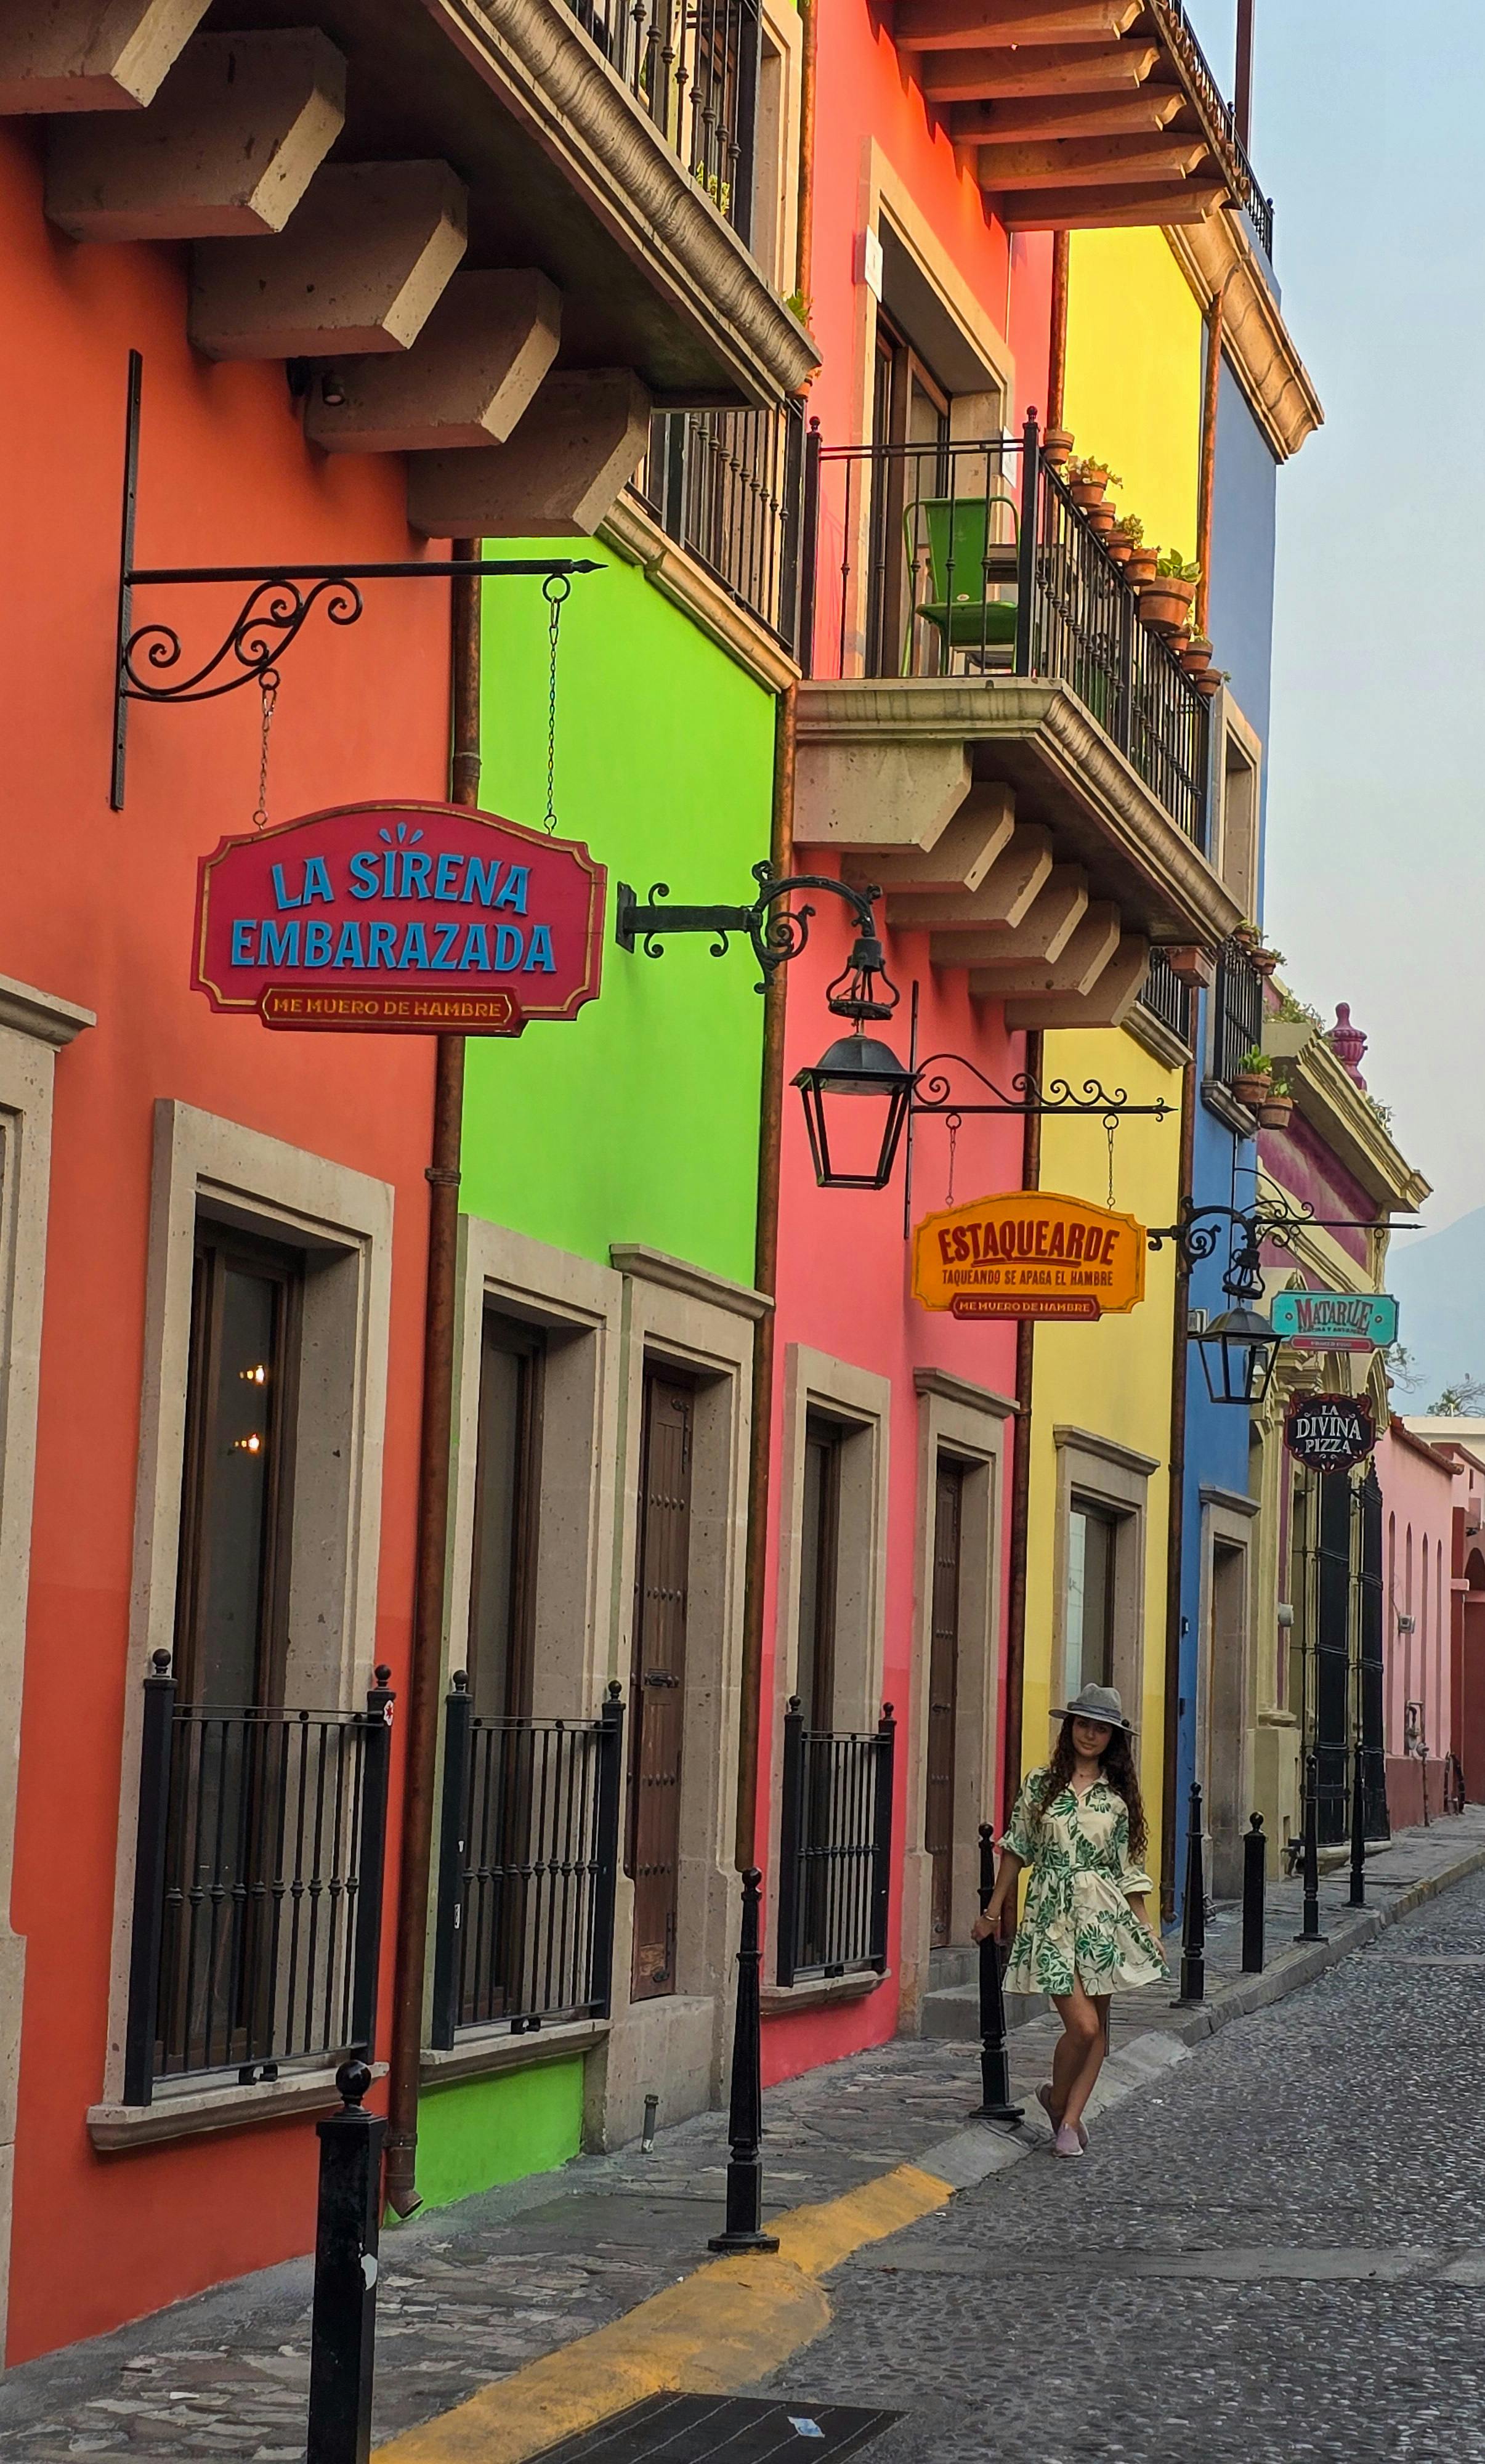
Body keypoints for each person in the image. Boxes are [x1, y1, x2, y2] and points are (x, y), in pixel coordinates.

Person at [973, 1684, 1166, 2160]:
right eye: (1083, 1725)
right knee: (1081, 2026)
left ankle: (1069, 2120)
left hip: (1103, 1919)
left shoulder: (1117, 1797)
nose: (1089, 1735)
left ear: (1112, 1738)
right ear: (1070, 1728)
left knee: (1098, 2027)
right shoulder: (1040, 1784)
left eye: (1100, 1729)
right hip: (1050, 1915)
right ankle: (1056, 2101)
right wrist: (992, 1912)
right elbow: (1016, 1849)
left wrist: (1146, 1929)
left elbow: (1127, 1871)